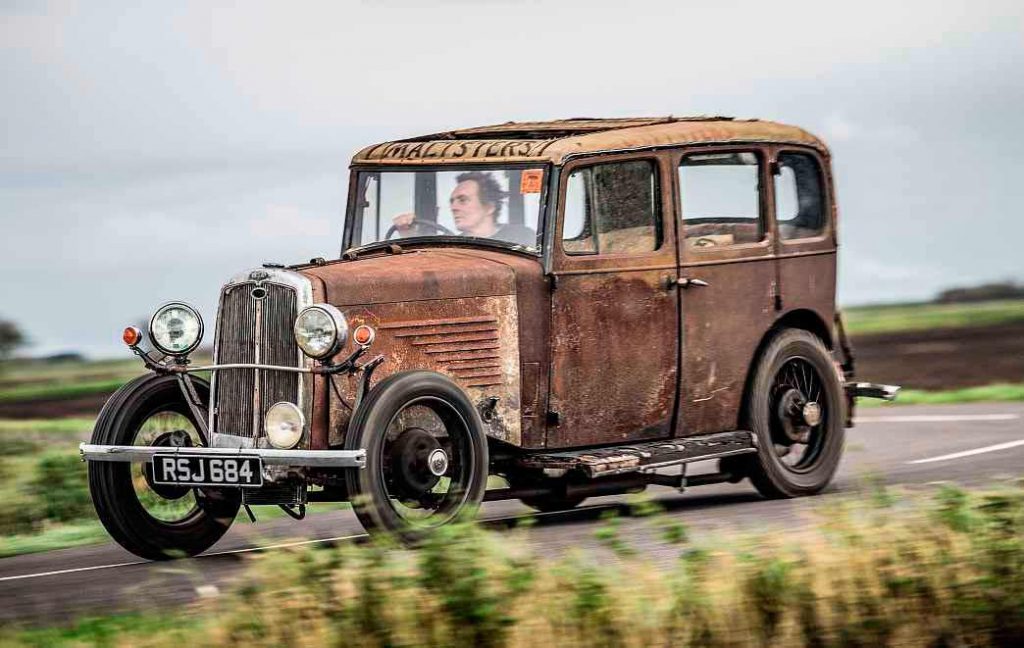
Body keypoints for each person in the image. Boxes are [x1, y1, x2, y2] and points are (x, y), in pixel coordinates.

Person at [392, 171, 536, 246]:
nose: (453, 207)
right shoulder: (452, 246)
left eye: (463, 200)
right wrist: (407, 235)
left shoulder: (521, 236)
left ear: (489, 207)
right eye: (452, 201)